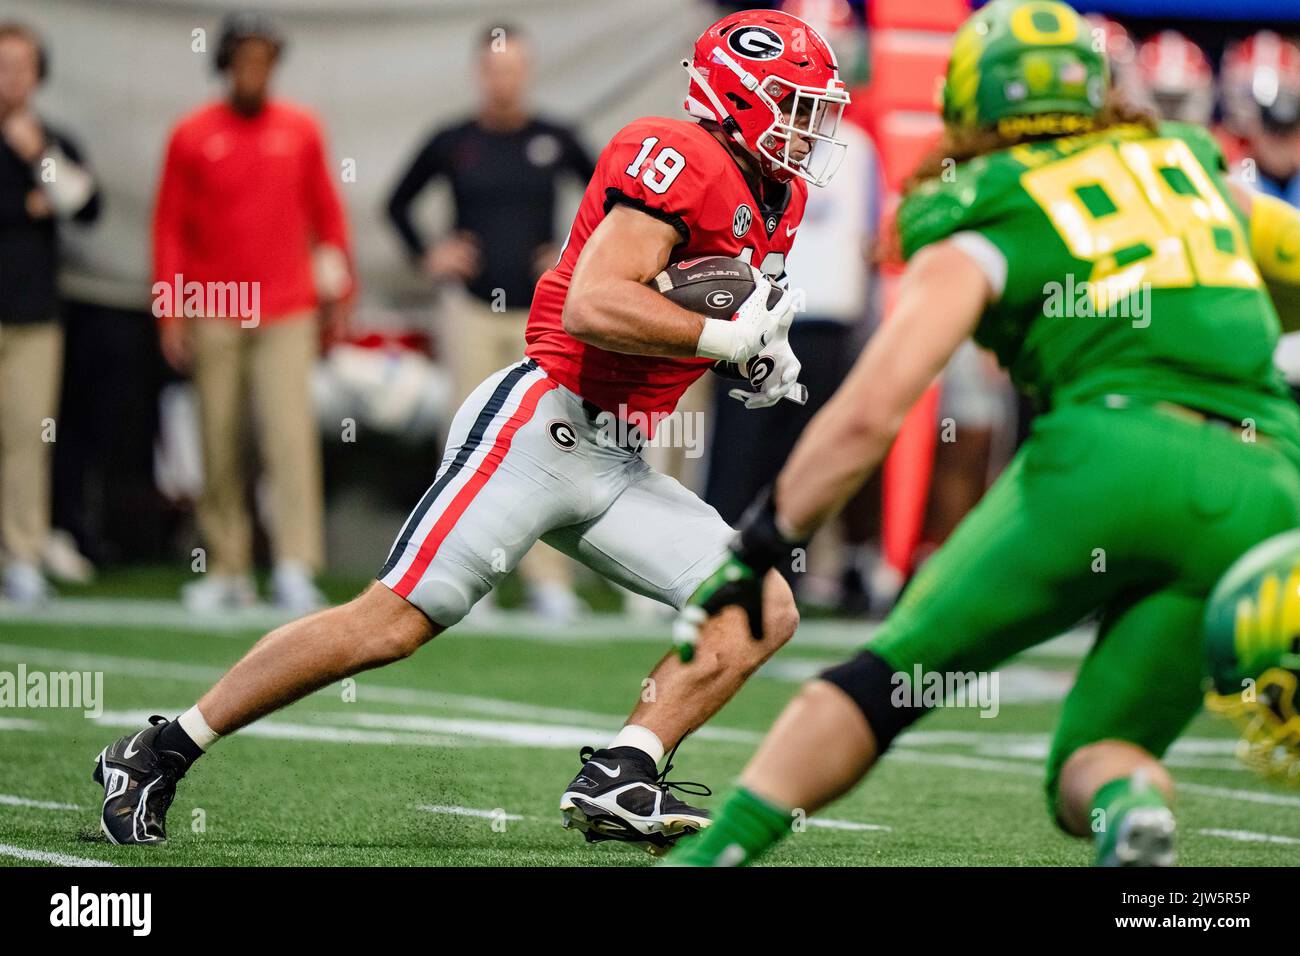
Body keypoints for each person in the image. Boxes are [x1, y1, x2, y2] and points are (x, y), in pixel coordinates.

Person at [91, 8, 849, 856]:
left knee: (758, 608)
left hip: (618, 457)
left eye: (816, 107)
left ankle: (624, 769)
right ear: (736, 94)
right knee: (391, 626)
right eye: (794, 102)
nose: (808, 125)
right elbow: (599, 303)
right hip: (540, 423)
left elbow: (690, 306)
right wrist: (720, 338)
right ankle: (159, 748)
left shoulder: (772, 195)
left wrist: (751, 359)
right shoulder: (680, 155)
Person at [665, 0, 1300, 867]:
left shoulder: (982, 204)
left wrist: (763, 545)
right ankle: (1130, 817)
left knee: (883, 681)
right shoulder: (1187, 164)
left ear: (971, 98)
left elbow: (870, 409)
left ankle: (713, 859)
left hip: (1108, 459)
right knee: (1095, 760)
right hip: (1264, 481)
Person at [386, 27, 595, 623]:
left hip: (543, 316)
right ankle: (459, 577)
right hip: (471, 310)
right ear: (482, 73)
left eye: (514, 69)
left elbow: (609, 198)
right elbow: (397, 204)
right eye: (495, 69)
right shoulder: (454, 141)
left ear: (526, 72)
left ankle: (549, 581)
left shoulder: (555, 139)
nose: (504, 80)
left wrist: (570, 254)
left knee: (550, 441)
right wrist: (430, 253)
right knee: (467, 443)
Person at [152, 13, 354, 614]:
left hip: (287, 308)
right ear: (224, 64)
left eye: (265, 59)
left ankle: (294, 565)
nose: (254, 70)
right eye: (244, 59)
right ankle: (227, 567)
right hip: (214, 307)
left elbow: (328, 215)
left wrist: (339, 295)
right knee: (218, 437)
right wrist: (169, 310)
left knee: (290, 438)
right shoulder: (190, 135)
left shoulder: (301, 129)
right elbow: (169, 229)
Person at [0, 22, 100, 604]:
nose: (12, 77)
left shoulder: (47, 143)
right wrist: (26, 207)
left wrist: (37, 155)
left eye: (22, 66)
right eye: (3, 65)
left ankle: (23, 555)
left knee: (27, 437)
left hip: (33, 313)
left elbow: (83, 207)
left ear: (39, 75)